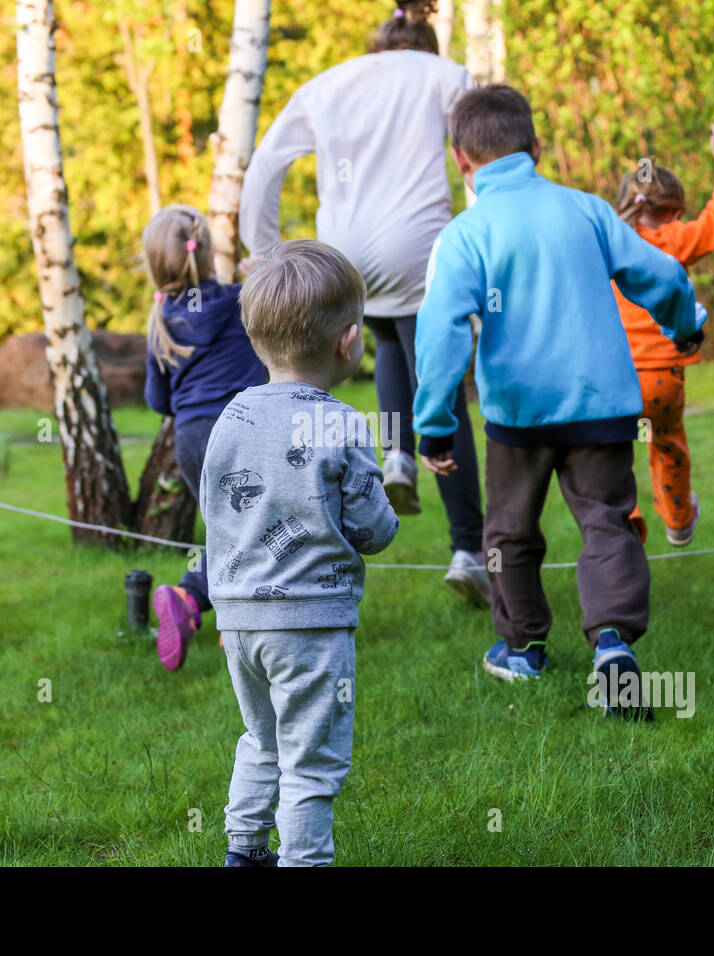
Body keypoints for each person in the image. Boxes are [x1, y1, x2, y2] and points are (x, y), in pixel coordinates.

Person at [412, 86, 699, 717]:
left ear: (460, 160)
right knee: (607, 521)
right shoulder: (588, 211)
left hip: (519, 415)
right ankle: (614, 646)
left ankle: (523, 649)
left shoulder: (465, 234)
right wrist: (686, 324)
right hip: (601, 404)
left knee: (508, 533)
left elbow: (439, 332)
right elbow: (662, 276)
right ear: (536, 148)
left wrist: (434, 427)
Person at [237, 0, 491, 605]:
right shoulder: (446, 75)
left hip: (346, 250)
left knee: (384, 340)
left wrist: (267, 251)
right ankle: (469, 550)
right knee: (444, 388)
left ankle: (398, 456)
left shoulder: (328, 83)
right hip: (419, 247)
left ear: (380, 44)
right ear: (426, 43)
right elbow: (482, 151)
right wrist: (484, 237)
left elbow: (265, 165)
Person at [202, 239, 399, 866]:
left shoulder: (230, 416)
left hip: (238, 620)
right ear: (348, 341)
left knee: (262, 737)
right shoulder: (341, 424)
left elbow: (215, 507)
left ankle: (244, 848)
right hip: (310, 625)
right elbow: (372, 529)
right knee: (311, 762)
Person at [142, 204, 267, 672]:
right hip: (245, 428)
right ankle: (197, 600)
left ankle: (225, 616)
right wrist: (264, 274)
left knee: (230, 529)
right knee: (254, 529)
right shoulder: (241, 300)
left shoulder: (161, 322)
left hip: (192, 439)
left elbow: (158, 401)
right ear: (210, 252)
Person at [614, 120, 714, 546]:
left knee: (613, 452)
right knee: (666, 443)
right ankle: (678, 519)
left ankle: (624, 519)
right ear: (672, 212)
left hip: (613, 378)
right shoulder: (673, 239)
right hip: (662, 379)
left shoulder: (608, 243)